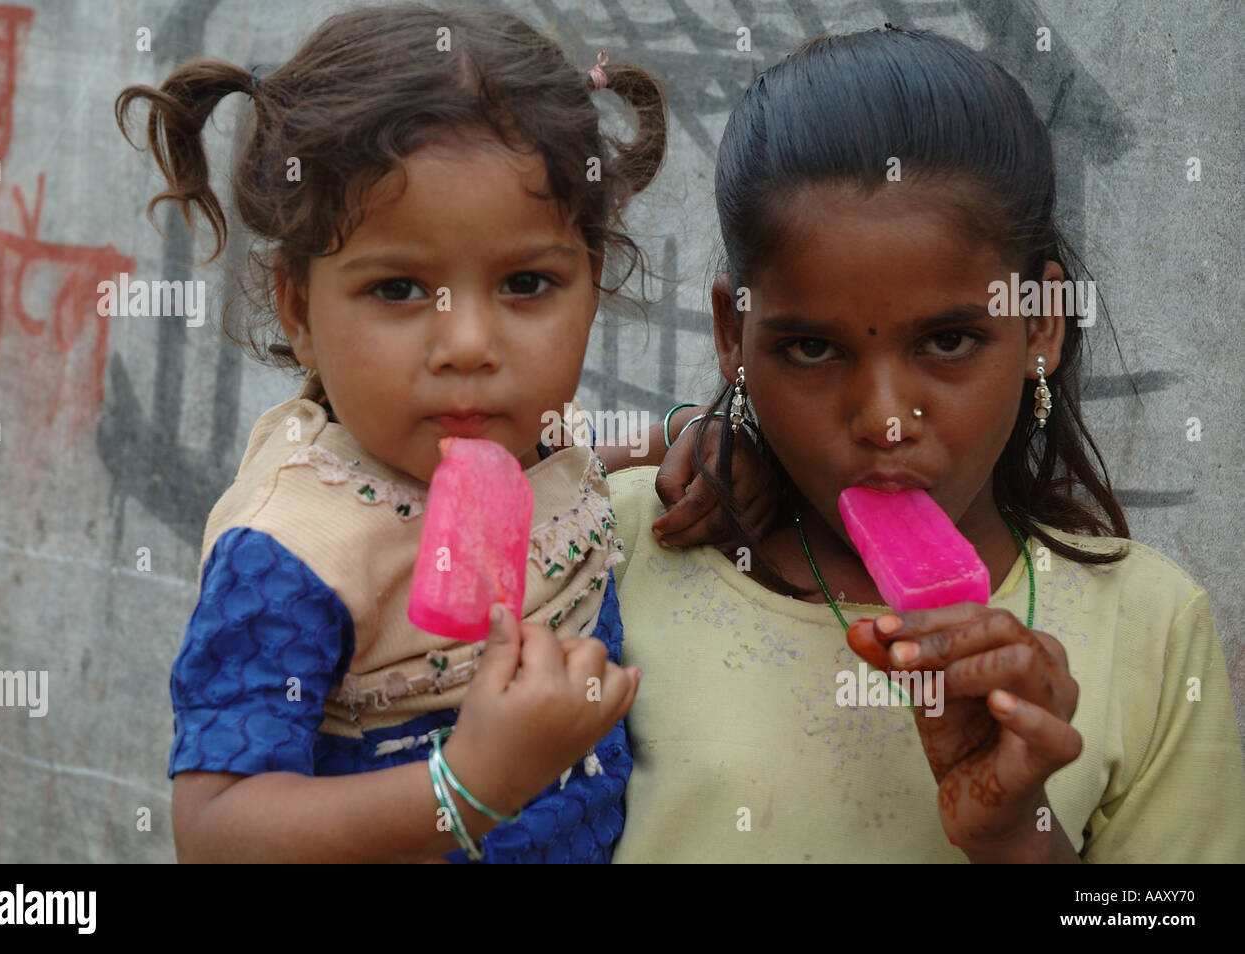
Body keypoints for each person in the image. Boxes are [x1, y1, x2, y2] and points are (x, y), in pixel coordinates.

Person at [605, 26, 1245, 862]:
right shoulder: (620, 545)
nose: (885, 421)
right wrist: (675, 432)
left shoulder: (1150, 625)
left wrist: (1023, 836)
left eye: (947, 342)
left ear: (1040, 323)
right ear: (735, 334)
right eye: (811, 348)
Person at [114, 3, 668, 862]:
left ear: (591, 283)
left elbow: (573, 477)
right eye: (400, 291)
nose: (470, 347)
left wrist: (684, 443)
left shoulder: (537, 435)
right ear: (299, 309)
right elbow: (216, 832)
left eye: (526, 281)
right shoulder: (297, 553)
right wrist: (470, 785)